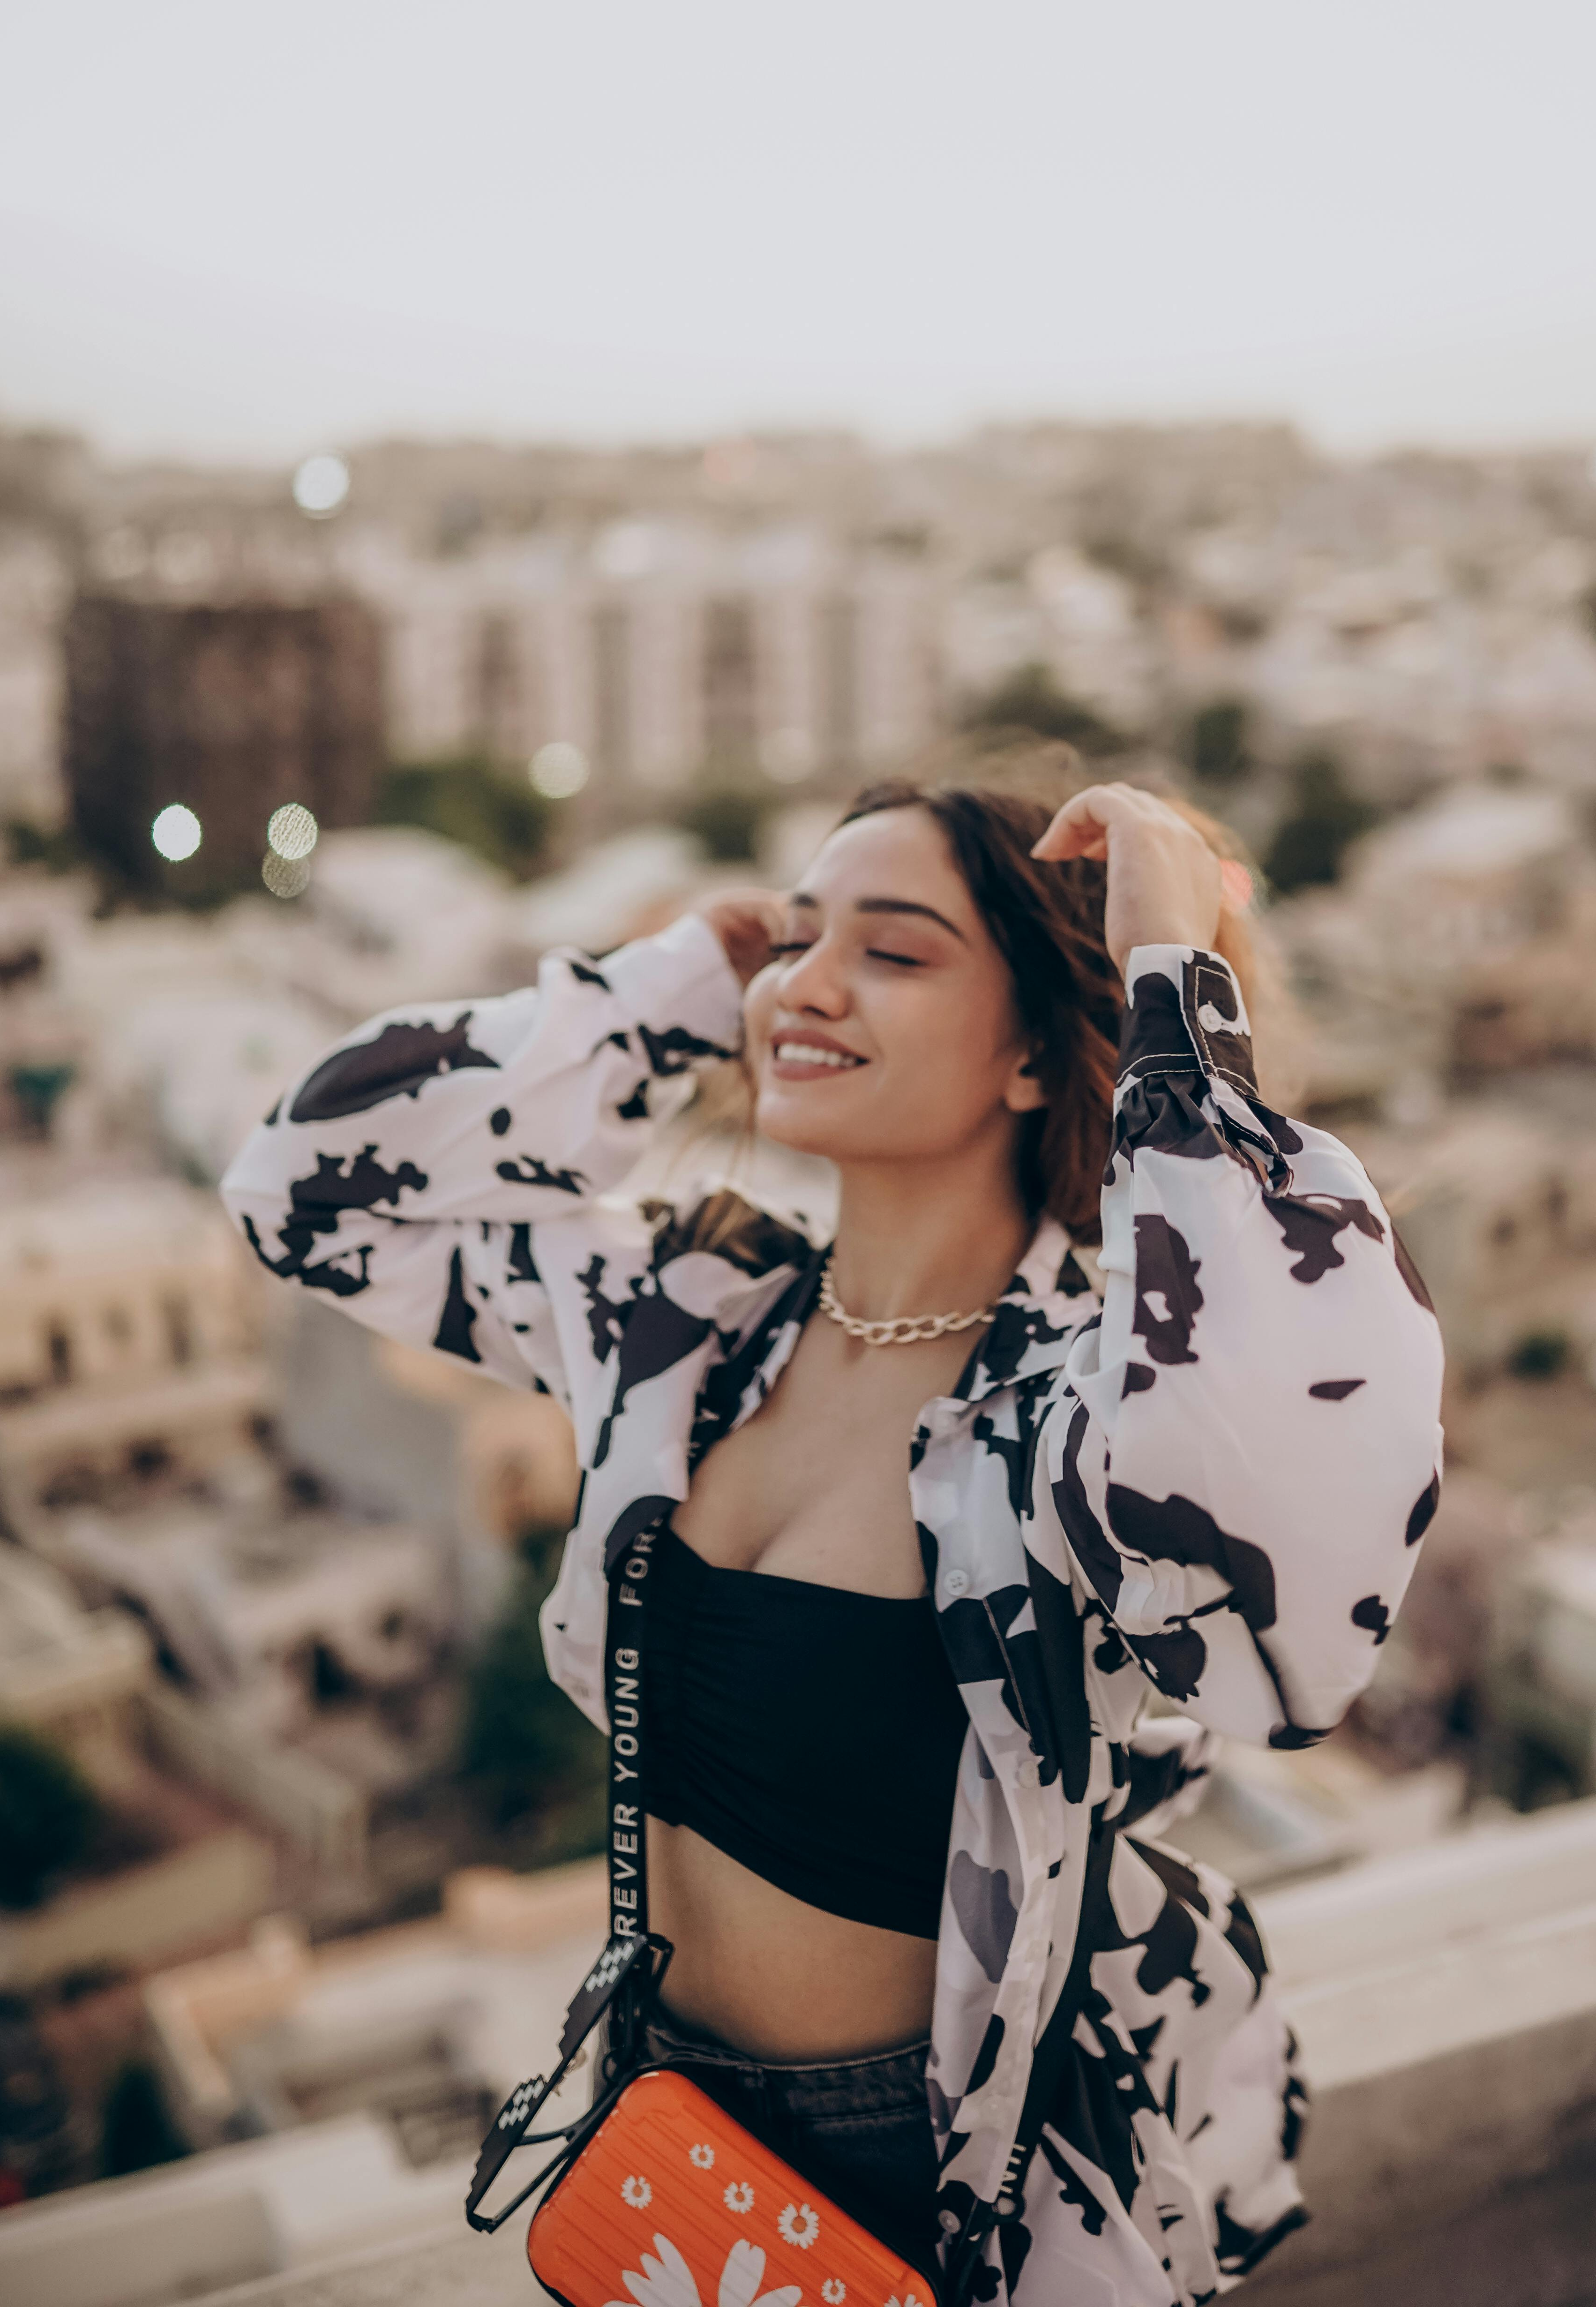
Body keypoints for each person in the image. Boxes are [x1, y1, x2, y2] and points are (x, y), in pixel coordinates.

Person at [220, 777, 1443, 2301]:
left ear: (1025, 1054)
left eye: (896, 951)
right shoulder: (691, 1331)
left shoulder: (1067, 1421)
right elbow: (306, 1194)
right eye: (799, 938)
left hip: (910, 2172)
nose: (807, 981)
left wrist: (1168, 982)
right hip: (660, 2110)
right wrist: (666, 990)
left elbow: (1308, 1550)